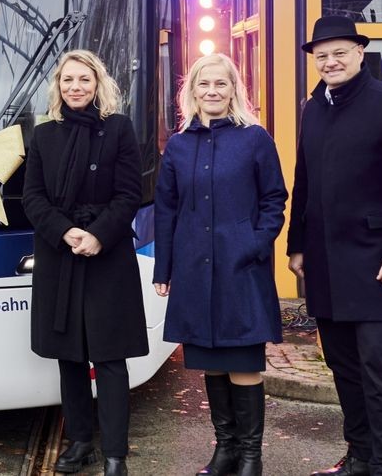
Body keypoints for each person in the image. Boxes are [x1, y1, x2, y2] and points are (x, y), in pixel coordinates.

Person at [287, 16, 382, 476]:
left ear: (359, 53)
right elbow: (303, 181)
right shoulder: (314, 109)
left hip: (377, 263)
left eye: (339, 52)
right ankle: (360, 457)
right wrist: (297, 246)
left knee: (378, 372)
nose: (330, 61)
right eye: (321, 55)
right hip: (325, 264)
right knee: (343, 369)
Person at [153, 53, 287, 476]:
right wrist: (164, 269)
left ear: (234, 90)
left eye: (220, 84)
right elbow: (166, 209)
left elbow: (274, 199)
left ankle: (251, 456)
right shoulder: (177, 145)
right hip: (194, 268)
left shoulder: (255, 138)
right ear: (191, 91)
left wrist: (255, 242)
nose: (212, 91)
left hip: (241, 268)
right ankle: (225, 449)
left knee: (244, 363)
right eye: (203, 85)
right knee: (210, 361)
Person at [22, 49, 147, 476]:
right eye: (68, 80)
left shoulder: (119, 129)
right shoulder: (43, 135)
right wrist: (64, 231)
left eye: (84, 80)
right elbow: (32, 197)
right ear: (58, 86)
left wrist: (98, 235)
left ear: (98, 84)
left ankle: (115, 454)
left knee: (110, 358)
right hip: (61, 255)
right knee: (69, 356)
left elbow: (130, 193)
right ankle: (79, 443)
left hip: (107, 256)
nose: (76, 87)